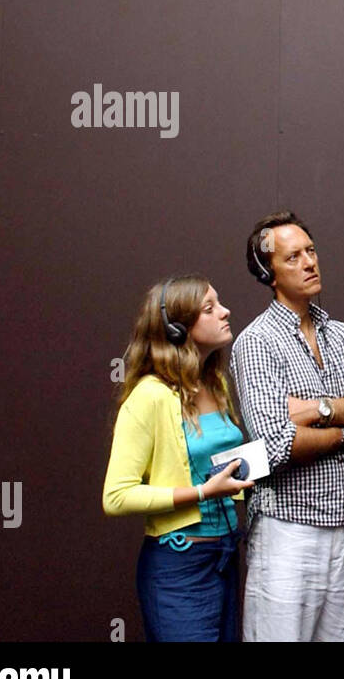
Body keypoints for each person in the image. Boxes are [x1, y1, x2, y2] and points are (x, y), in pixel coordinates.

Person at [230, 210, 344, 641]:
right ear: (269, 273)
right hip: (286, 530)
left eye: (311, 251)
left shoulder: (340, 334)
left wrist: (318, 409)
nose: (309, 262)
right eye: (293, 257)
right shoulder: (256, 342)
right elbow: (274, 446)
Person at [102, 275, 254, 642]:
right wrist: (202, 493)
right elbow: (116, 497)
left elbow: (220, 468)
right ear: (176, 328)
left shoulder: (215, 385)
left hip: (224, 559)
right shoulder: (149, 396)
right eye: (210, 308)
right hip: (178, 568)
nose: (225, 311)